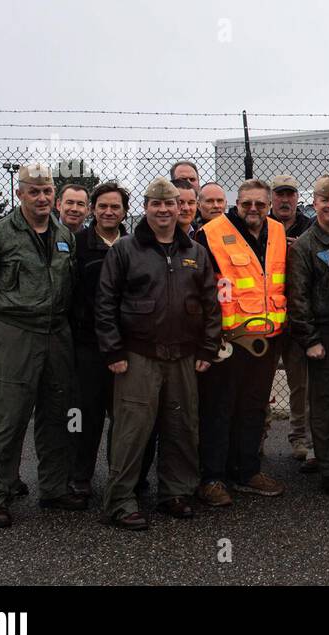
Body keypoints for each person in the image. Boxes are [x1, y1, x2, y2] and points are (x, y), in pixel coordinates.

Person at [0, 163, 86, 528]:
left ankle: (54, 488)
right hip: (16, 333)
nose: (42, 198)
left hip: (57, 334)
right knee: (9, 418)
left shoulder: (64, 234)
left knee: (56, 415)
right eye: (34, 191)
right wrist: (5, 317)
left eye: (47, 192)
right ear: (20, 194)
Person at [96, 177, 221, 529]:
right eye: (156, 204)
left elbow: (211, 304)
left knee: (181, 426)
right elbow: (105, 303)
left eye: (171, 204)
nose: (164, 210)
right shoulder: (124, 250)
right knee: (132, 430)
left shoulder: (195, 252)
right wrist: (113, 350)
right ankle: (120, 499)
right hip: (138, 355)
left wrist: (208, 348)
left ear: (180, 208)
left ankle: (175, 493)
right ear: (146, 207)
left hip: (183, 355)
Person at [194, 179, 289, 505]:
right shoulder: (211, 233)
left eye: (260, 205)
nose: (253, 210)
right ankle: (212, 478)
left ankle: (247, 471)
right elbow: (202, 292)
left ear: (268, 205)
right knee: (219, 410)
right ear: (237, 202)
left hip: (266, 340)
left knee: (252, 409)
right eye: (247, 203)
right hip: (227, 341)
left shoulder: (277, 233)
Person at [288, 177, 329, 495]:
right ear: (314, 204)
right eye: (324, 200)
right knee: (328, 406)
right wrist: (310, 340)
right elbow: (297, 297)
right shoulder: (304, 246)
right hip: (325, 332)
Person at [68, 181, 130, 498]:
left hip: (124, 346)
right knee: (85, 414)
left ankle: (121, 476)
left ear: (124, 212)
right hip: (87, 346)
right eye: (103, 206)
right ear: (93, 209)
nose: (108, 211)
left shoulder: (133, 246)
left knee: (123, 417)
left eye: (115, 207)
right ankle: (80, 475)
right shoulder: (77, 244)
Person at [269, 175, 314, 462]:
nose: (285, 200)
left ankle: (301, 438)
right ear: (272, 198)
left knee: (301, 383)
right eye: (280, 195)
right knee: (259, 383)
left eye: (290, 194)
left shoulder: (309, 226)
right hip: (267, 318)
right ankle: (258, 435)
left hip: (297, 315)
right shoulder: (263, 226)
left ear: (297, 197)